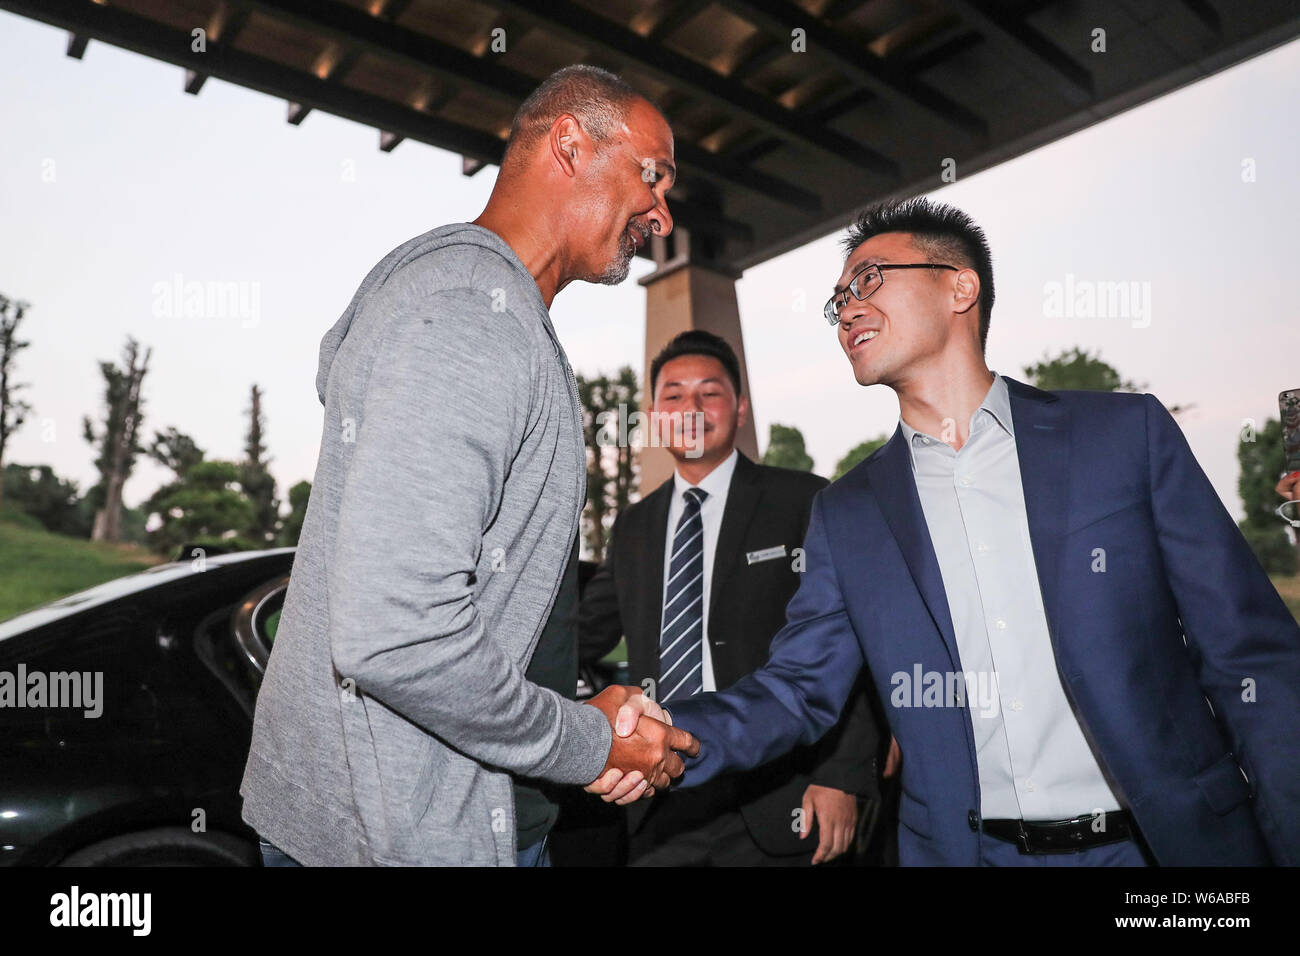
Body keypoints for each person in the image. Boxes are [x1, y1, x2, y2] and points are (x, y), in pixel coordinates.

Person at [591, 197, 1300, 867]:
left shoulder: (1123, 437)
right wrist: (665, 735)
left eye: (867, 280)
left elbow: (1251, 659)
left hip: (1159, 849)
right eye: (838, 301)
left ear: (959, 287)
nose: (847, 311)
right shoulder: (849, 511)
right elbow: (797, 689)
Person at [241, 64, 696, 867]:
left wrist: (589, 717)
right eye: (652, 174)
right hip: (396, 840)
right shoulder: (466, 319)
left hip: (447, 814)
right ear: (569, 143)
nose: (661, 214)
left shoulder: (484, 309)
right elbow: (395, 639)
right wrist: (591, 745)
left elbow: (495, 620)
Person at [580, 330, 883, 866]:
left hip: (784, 793)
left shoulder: (806, 501)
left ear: (739, 409)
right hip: (658, 788)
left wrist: (842, 776)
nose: (690, 407)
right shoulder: (633, 527)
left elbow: (854, 644)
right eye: (673, 395)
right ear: (654, 414)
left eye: (709, 392)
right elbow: (584, 632)